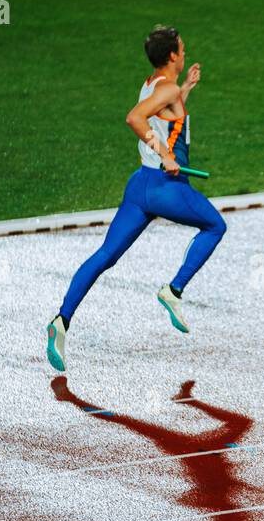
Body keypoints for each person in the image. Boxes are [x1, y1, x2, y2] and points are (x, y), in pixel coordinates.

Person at [46, 26, 226, 372]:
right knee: (215, 226)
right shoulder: (165, 89)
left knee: (105, 255)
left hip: (140, 186)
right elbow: (135, 118)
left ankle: (61, 321)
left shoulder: (154, 84)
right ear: (172, 55)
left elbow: (164, 117)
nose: (185, 54)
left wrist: (185, 90)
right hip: (164, 187)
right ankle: (173, 290)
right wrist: (165, 155)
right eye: (182, 49)